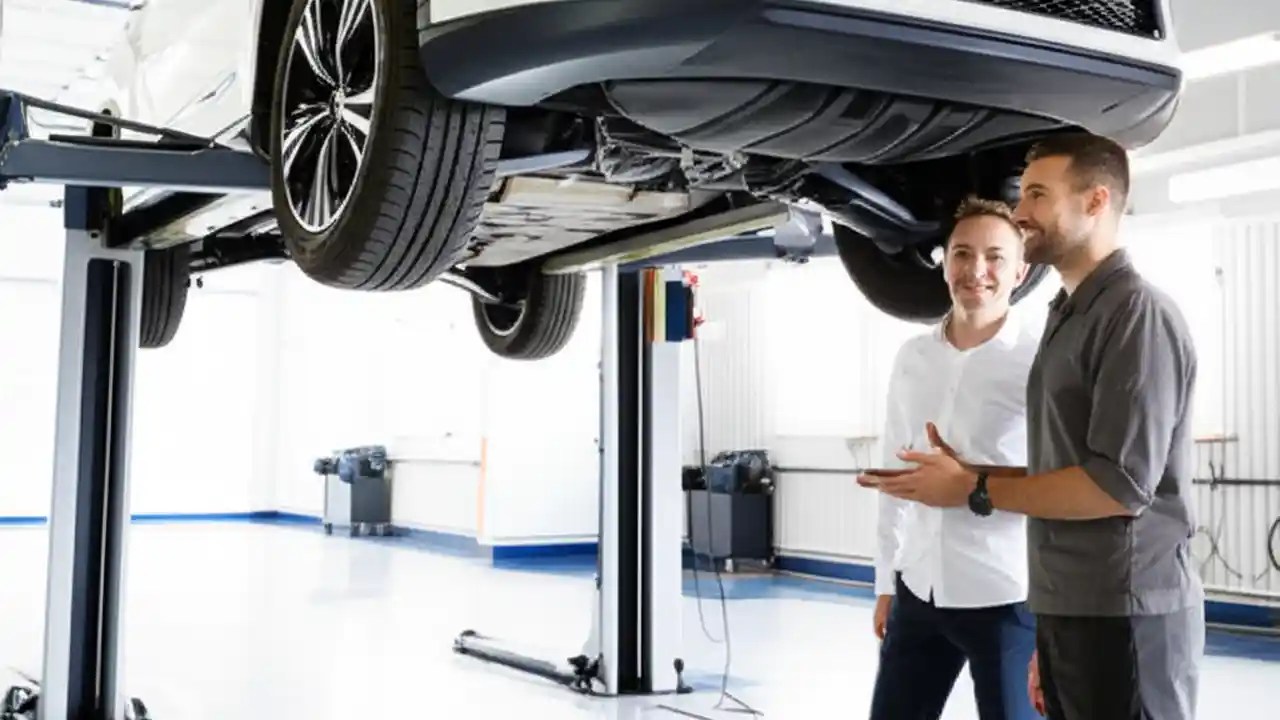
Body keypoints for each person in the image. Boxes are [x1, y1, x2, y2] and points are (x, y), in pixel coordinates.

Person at [862, 132, 1204, 720]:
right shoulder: (1069, 318)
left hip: (1116, 607)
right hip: (1061, 601)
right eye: (963, 254)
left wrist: (972, 487)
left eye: (1038, 195)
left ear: (1095, 202)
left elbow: (1118, 484)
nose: (1023, 214)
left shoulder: (1133, 315)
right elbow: (1059, 468)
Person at [866, 196, 1042, 720]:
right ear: (945, 261)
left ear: (1020, 270)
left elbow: (1059, 479)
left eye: (995, 256)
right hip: (919, 590)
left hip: (1005, 595)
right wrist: (884, 585)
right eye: (962, 253)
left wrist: (968, 483)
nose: (977, 270)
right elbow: (893, 475)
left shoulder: (1039, 359)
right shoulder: (913, 357)